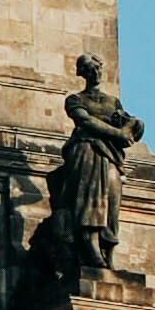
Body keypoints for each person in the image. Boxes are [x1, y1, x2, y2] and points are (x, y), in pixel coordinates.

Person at [52, 52, 143, 272]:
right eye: (91, 68)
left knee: (112, 196)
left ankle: (107, 250)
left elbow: (127, 122)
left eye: (98, 68)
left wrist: (136, 125)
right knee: (91, 199)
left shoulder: (112, 102)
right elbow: (85, 120)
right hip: (87, 150)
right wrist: (117, 133)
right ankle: (90, 246)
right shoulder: (75, 100)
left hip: (110, 154)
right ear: (82, 73)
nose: (96, 72)